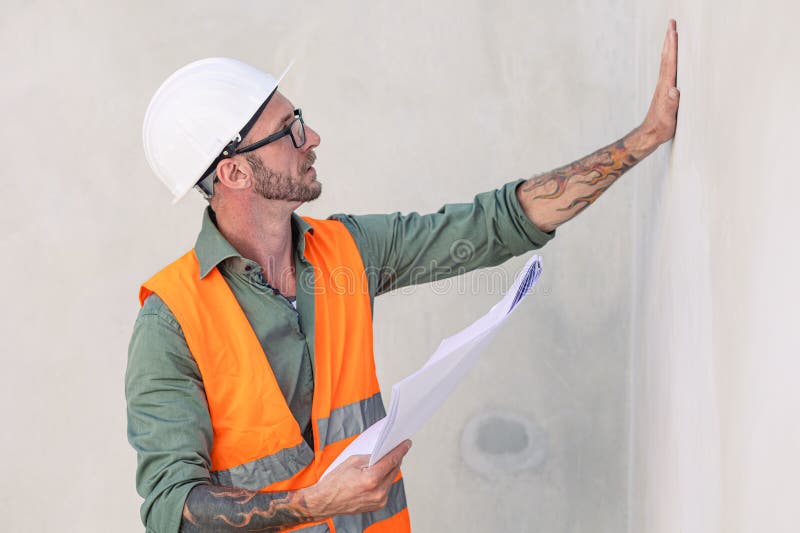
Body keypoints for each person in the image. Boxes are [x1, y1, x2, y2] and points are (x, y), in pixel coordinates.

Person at [126, 20, 679, 533]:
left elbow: (495, 224)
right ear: (234, 169)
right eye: (288, 130)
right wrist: (319, 501)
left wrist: (644, 139)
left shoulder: (348, 252)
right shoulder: (170, 321)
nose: (312, 136)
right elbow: (171, 512)